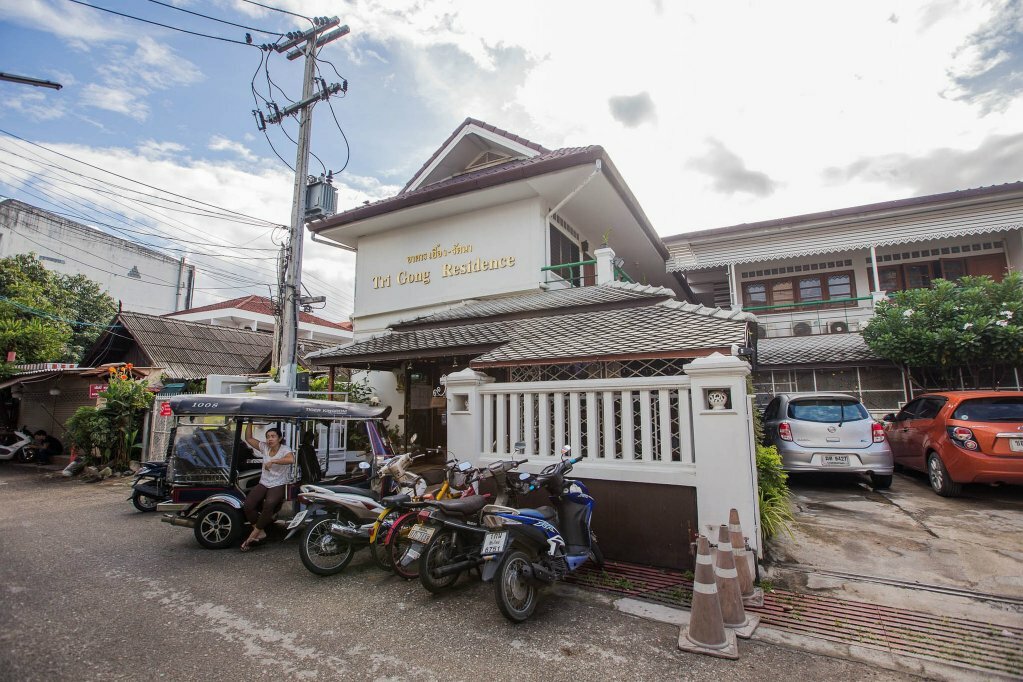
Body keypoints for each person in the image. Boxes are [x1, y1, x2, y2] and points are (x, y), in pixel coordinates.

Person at [240, 423, 295, 551]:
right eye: (268, 436)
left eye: (273, 436)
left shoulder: (285, 449)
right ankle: (261, 531)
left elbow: (290, 459)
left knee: (269, 504)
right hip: (264, 482)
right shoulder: (264, 447)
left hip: (278, 483)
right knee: (248, 504)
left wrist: (273, 461)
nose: (270, 439)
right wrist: (249, 422)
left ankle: (253, 535)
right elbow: (249, 438)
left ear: (279, 438)